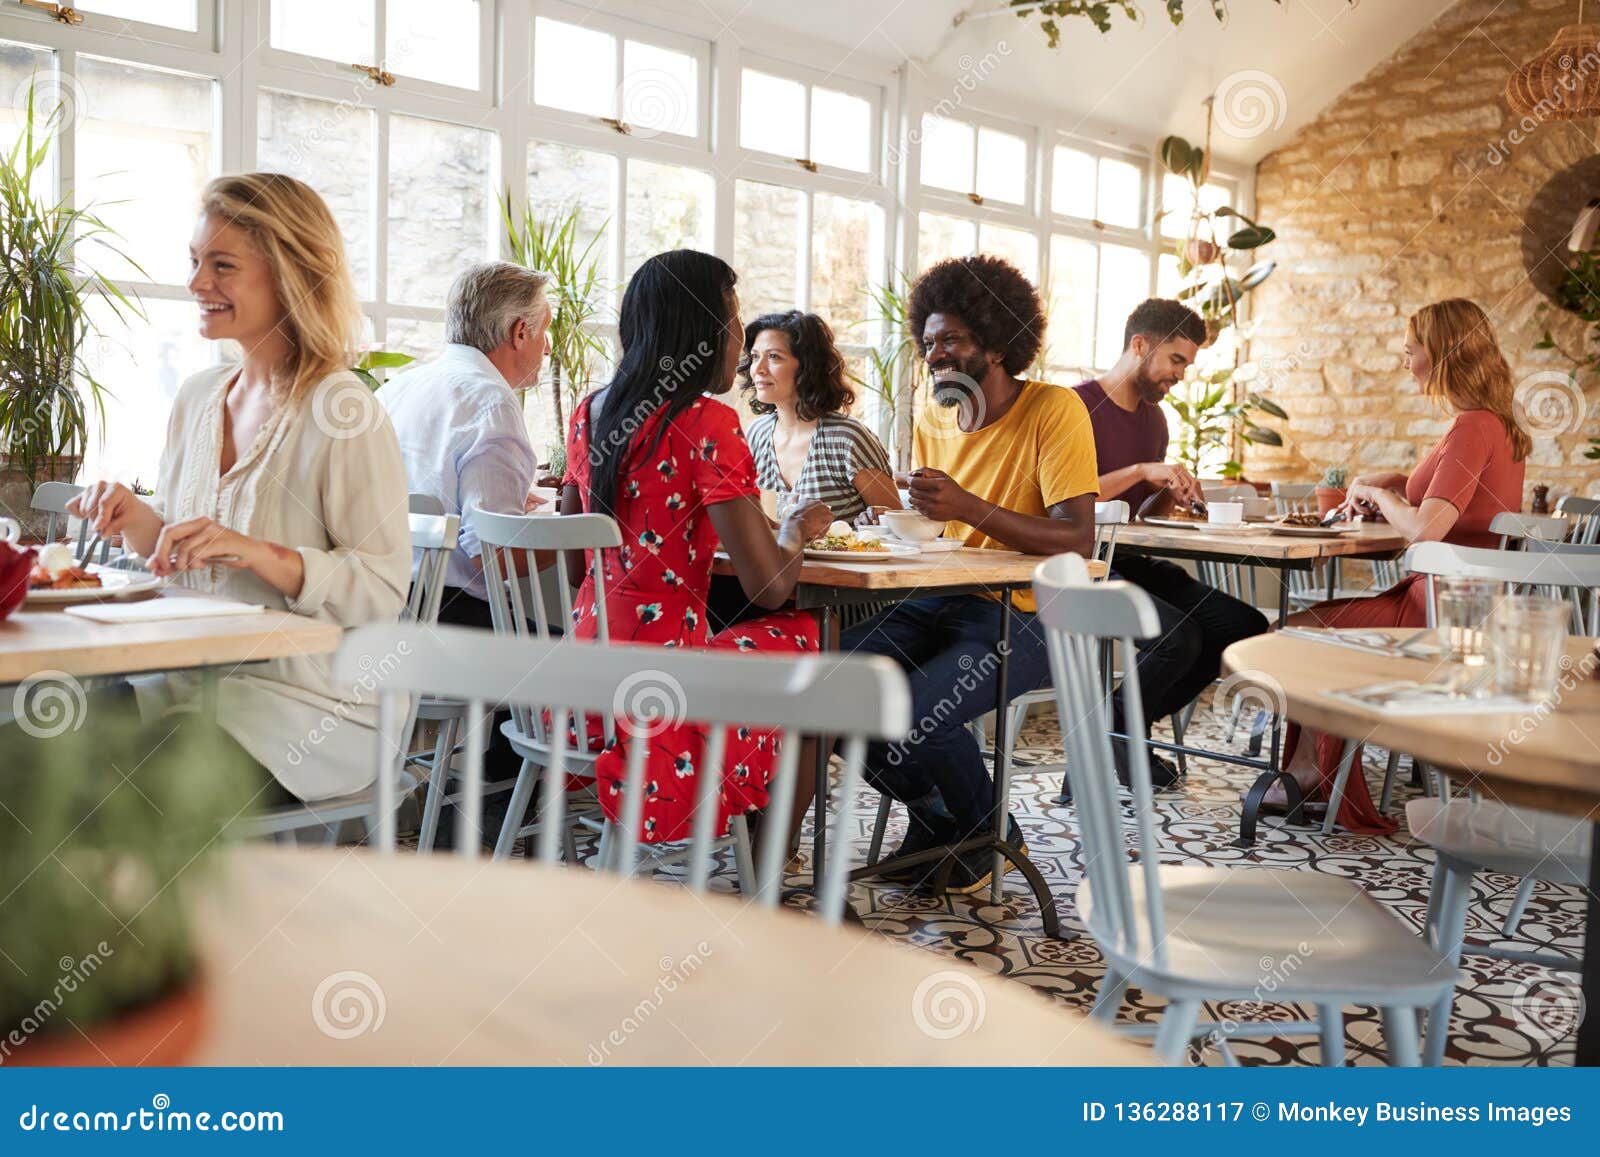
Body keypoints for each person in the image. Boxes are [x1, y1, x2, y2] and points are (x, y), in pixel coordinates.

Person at [70, 172, 412, 806]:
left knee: (117, 798)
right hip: (190, 683)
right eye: (196, 261)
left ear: (290, 276)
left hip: (308, 708)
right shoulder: (199, 396)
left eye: (222, 265)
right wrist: (142, 518)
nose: (197, 283)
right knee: (48, 755)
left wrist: (260, 553)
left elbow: (383, 590)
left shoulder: (342, 408)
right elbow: (191, 552)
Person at [842, 254, 1099, 894]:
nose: (936, 355)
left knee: (920, 716)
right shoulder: (936, 415)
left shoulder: (1054, 410)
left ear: (996, 336)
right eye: (928, 343)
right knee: (831, 686)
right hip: (939, 597)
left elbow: (1077, 538)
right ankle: (947, 818)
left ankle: (981, 829)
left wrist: (966, 505)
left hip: (1033, 612)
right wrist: (916, 511)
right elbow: (943, 526)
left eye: (951, 339)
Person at [558, 250, 831, 849]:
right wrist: (798, 530)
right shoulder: (708, 423)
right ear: (703, 331)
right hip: (663, 695)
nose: (740, 339)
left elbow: (577, 561)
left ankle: (755, 849)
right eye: (733, 320)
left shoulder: (589, 412)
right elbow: (769, 586)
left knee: (759, 643)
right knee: (817, 656)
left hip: (578, 690)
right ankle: (766, 882)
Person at [1270, 298, 1529, 833]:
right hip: (1467, 609)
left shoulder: (1471, 427)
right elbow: (1455, 501)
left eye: (1410, 352)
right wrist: (1396, 483)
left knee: (1297, 633)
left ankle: (1311, 772)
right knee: (1309, 627)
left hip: (1437, 611)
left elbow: (1424, 530)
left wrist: (1372, 493)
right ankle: (1311, 770)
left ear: (1440, 356)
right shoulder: (1497, 425)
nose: (1405, 362)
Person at [1075, 299, 1269, 788]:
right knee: (1177, 638)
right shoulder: (1074, 407)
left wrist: (1168, 493)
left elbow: (1139, 516)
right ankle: (1122, 732)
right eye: (1176, 360)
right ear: (1140, 345)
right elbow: (1064, 499)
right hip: (1080, 566)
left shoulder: (1154, 422)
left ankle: (1120, 726)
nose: (1180, 375)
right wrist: (1142, 470)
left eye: (1186, 364)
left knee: (1242, 624)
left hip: (1130, 559)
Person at [381, 261, 551, 630]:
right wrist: (577, 537)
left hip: (381, 613)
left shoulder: (394, 389)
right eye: (545, 332)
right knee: (591, 665)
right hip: (449, 621)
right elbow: (492, 557)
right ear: (520, 332)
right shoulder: (492, 402)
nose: (548, 349)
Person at [741, 310, 899, 524]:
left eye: (774, 357)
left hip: (844, 558)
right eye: (755, 357)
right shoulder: (756, 434)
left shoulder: (847, 438)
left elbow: (896, 522)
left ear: (807, 366)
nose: (758, 369)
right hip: (777, 558)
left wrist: (871, 524)